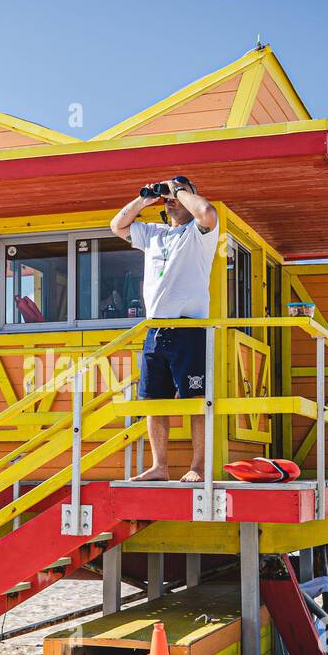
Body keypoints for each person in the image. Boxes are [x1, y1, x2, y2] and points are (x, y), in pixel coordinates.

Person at [110, 175, 219, 481]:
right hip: (155, 331)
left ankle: (198, 466)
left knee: (196, 401)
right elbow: (117, 226)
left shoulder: (200, 234)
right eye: (169, 195)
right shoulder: (154, 234)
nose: (171, 198)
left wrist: (180, 190)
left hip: (189, 330)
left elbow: (207, 213)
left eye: (179, 194)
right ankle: (160, 467)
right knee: (153, 402)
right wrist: (144, 199)